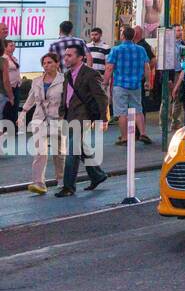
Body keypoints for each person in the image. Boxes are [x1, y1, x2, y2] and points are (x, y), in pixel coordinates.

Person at [55, 43, 109, 197]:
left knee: (72, 152)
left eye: (69, 55)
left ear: (80, 58)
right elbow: (65, 95)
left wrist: (103, 119)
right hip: (69, 116)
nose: (66, 58)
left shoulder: (90, 74)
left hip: (83, 117)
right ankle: (98, 175)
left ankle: (68, 187)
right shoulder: (67, 75)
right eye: (65, 55)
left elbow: (101, 97)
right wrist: (61, 111)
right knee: (81, 148)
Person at [23, 53, 65, 194]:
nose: (46, 65)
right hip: (39, 119)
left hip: (57, 119)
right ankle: (39, 183)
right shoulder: (37, 81)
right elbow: (30, 98)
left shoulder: (64, 80)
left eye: (49, 62)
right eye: (44, 63)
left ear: (57, 64)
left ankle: (61, 180)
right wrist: (23, 113)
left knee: (59, 152)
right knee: (40, 152)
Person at [105, 25, 152, 145]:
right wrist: (148, 81)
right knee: (138, 109)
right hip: (136, 84)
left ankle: (125, 137)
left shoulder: (116, 50)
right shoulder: (141, 49)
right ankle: (142, 133)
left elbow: (110, 68)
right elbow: (147, 67)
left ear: (123, 36)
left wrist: (105, 82)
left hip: (120, 84)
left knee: (122, 112)